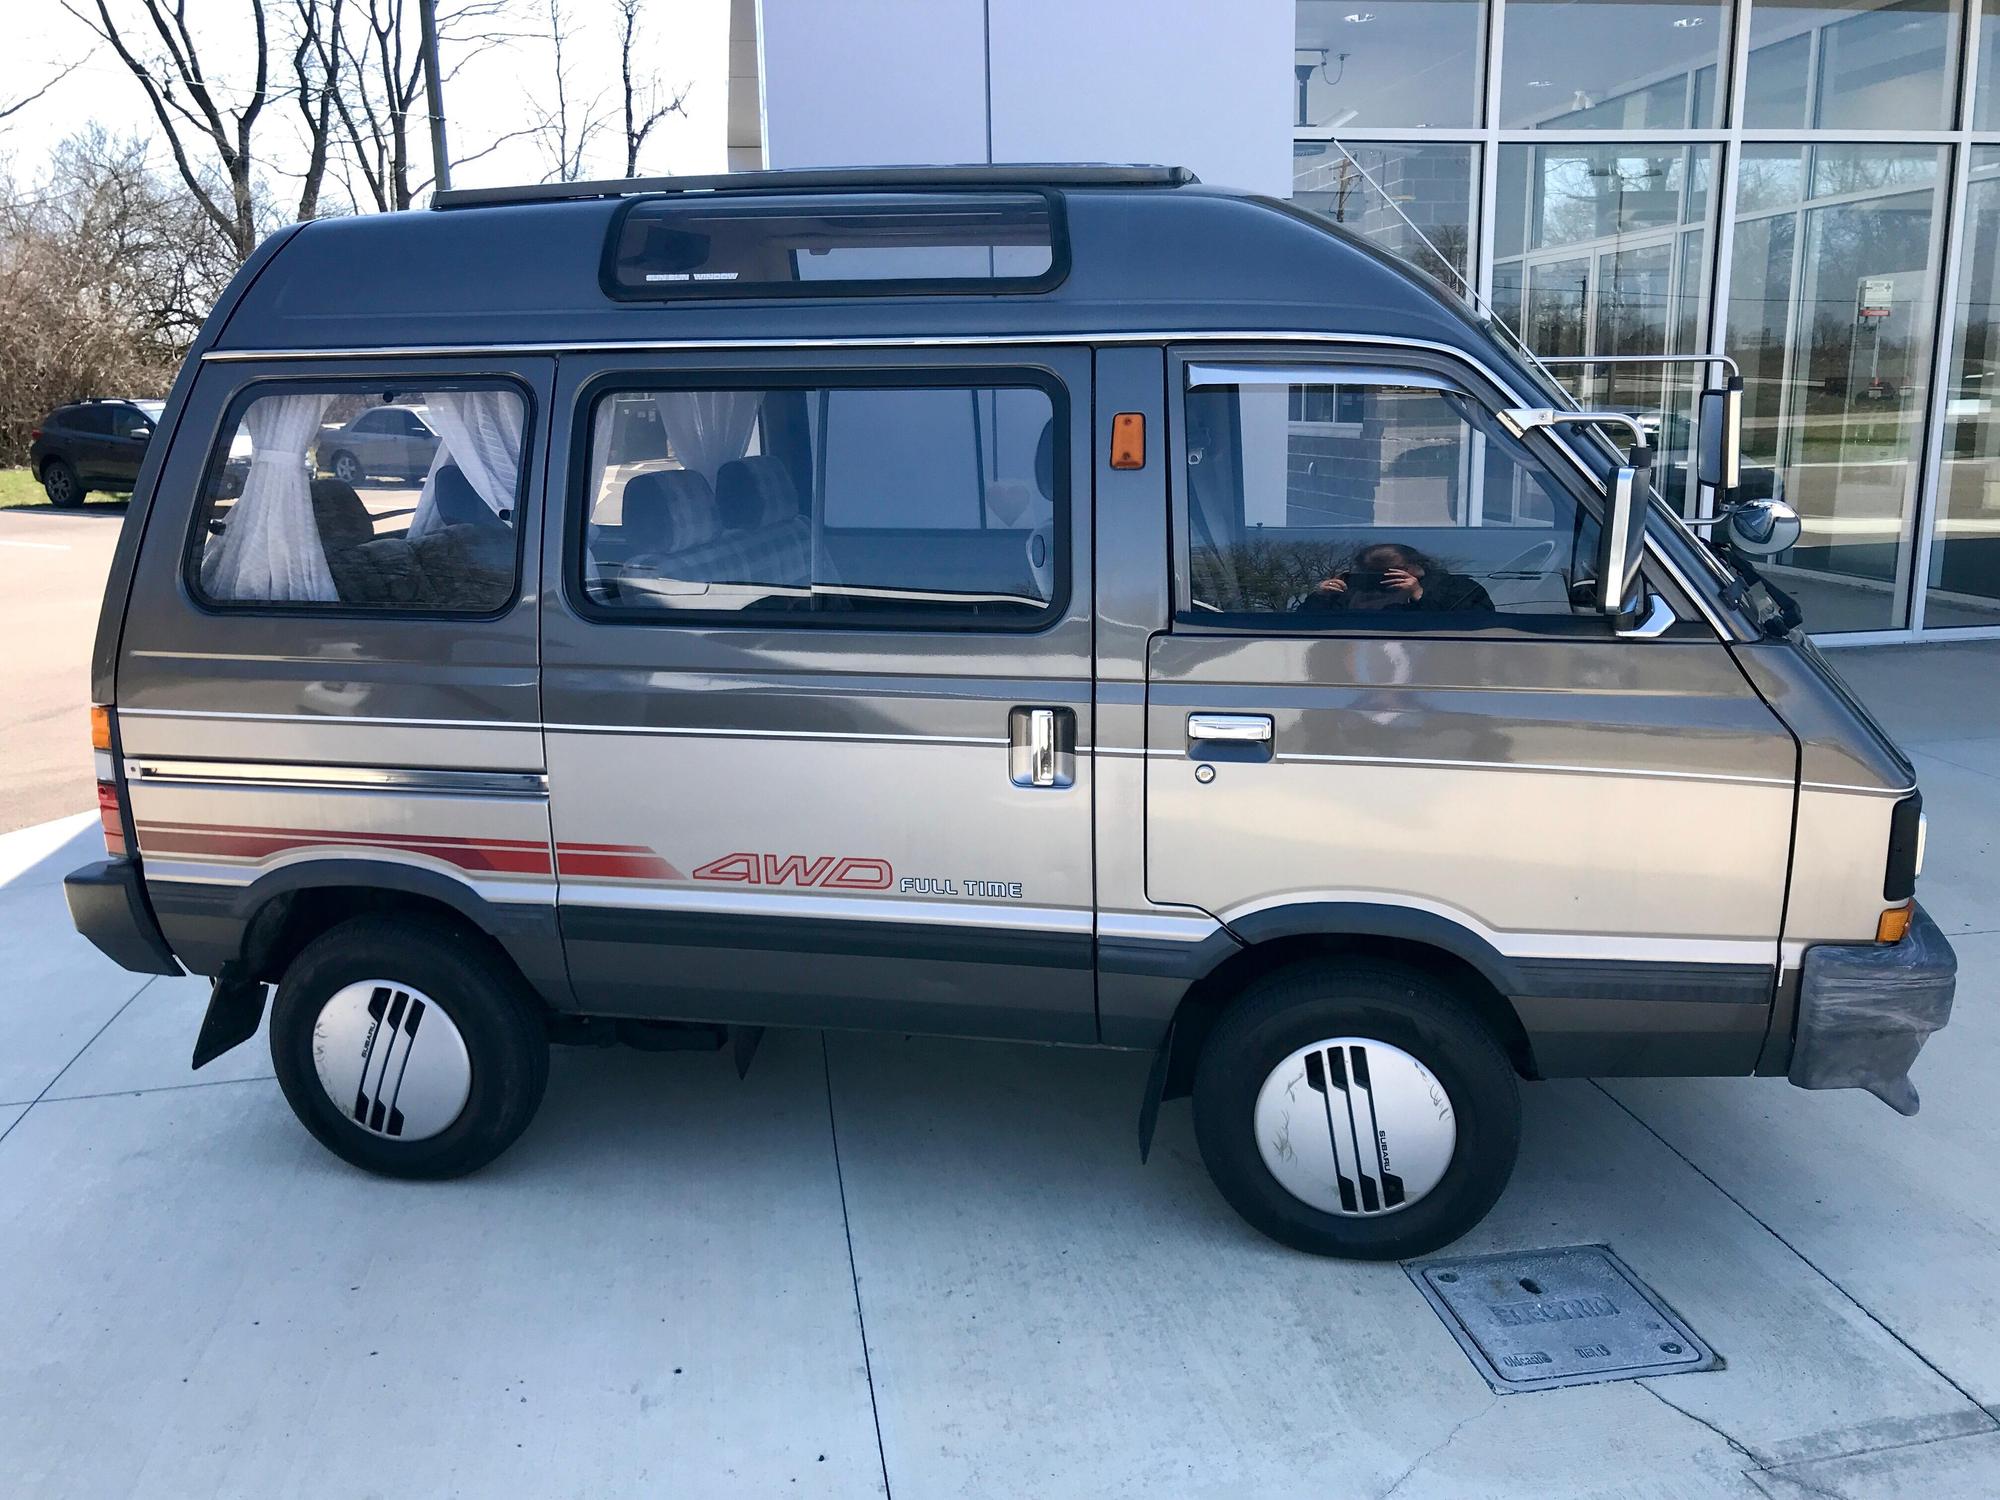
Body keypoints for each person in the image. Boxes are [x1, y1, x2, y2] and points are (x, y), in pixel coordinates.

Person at [1298, 541, 1494, 615]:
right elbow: (1307, 625)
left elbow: (1478, 625)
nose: (1378, 581)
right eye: (1368, 574)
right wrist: (1321, 596)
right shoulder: (1351, 591)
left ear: (1412, 567)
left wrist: (1420, 595)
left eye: (1386, 573)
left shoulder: (1458, 588)